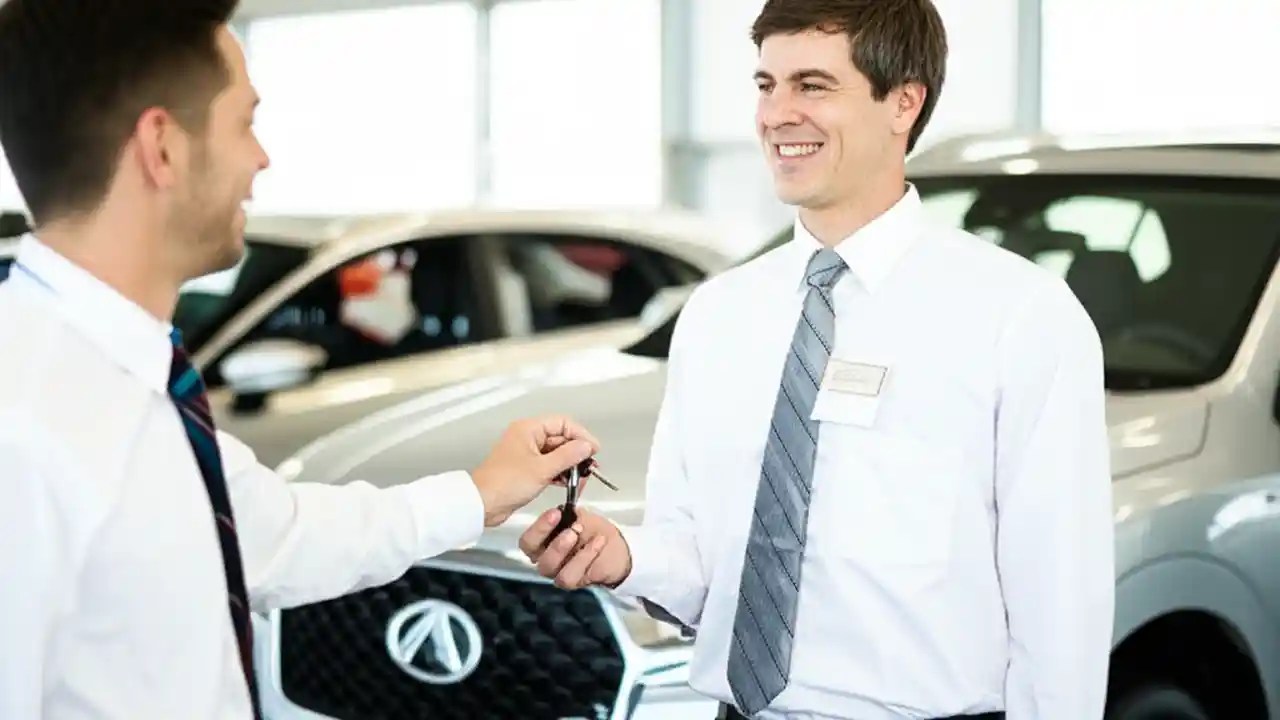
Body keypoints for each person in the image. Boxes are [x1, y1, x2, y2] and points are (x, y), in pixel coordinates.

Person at [0, 2, 599, 718]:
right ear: (163, 147)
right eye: (245, 122)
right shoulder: (22, 425)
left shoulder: (130, 382)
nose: (262, 159)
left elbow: (283, 534)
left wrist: (482, 492)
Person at [520, 1, 1115, 719]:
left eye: (812, 85)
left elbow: (1060, 604)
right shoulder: (717, 314)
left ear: (904, 101)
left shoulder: (1020, 317)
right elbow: (702, 560)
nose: (776, 114)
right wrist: (620, 556)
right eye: (766, 84)